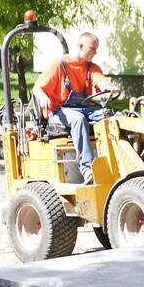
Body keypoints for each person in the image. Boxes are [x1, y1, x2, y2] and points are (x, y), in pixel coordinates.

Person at [32, 32, 119, 184]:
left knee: (110, 116)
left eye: (96, 49)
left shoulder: (91, 68)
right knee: (78, 119)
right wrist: (42, 96)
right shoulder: (59, 64)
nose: (95, 52)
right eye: (92, 48)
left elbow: (101, 81)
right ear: (80, 46)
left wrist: (109, 87)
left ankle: (117, 161)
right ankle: (87, 169)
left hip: (83, 108)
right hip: (58, 111)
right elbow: (37, 88)